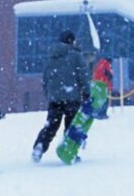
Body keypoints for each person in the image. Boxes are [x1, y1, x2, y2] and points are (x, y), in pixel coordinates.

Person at [31, 31, 90, 162]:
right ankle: (68, 151)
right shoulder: (76, 56)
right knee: (71, 125)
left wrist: (49, 94)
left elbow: (45, 78)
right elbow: (83, 76)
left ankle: (40, 145)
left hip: (55, 98)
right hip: (72, 96)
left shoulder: (52, 56)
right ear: (72, 41)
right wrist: (86, 92)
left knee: (51, 125)